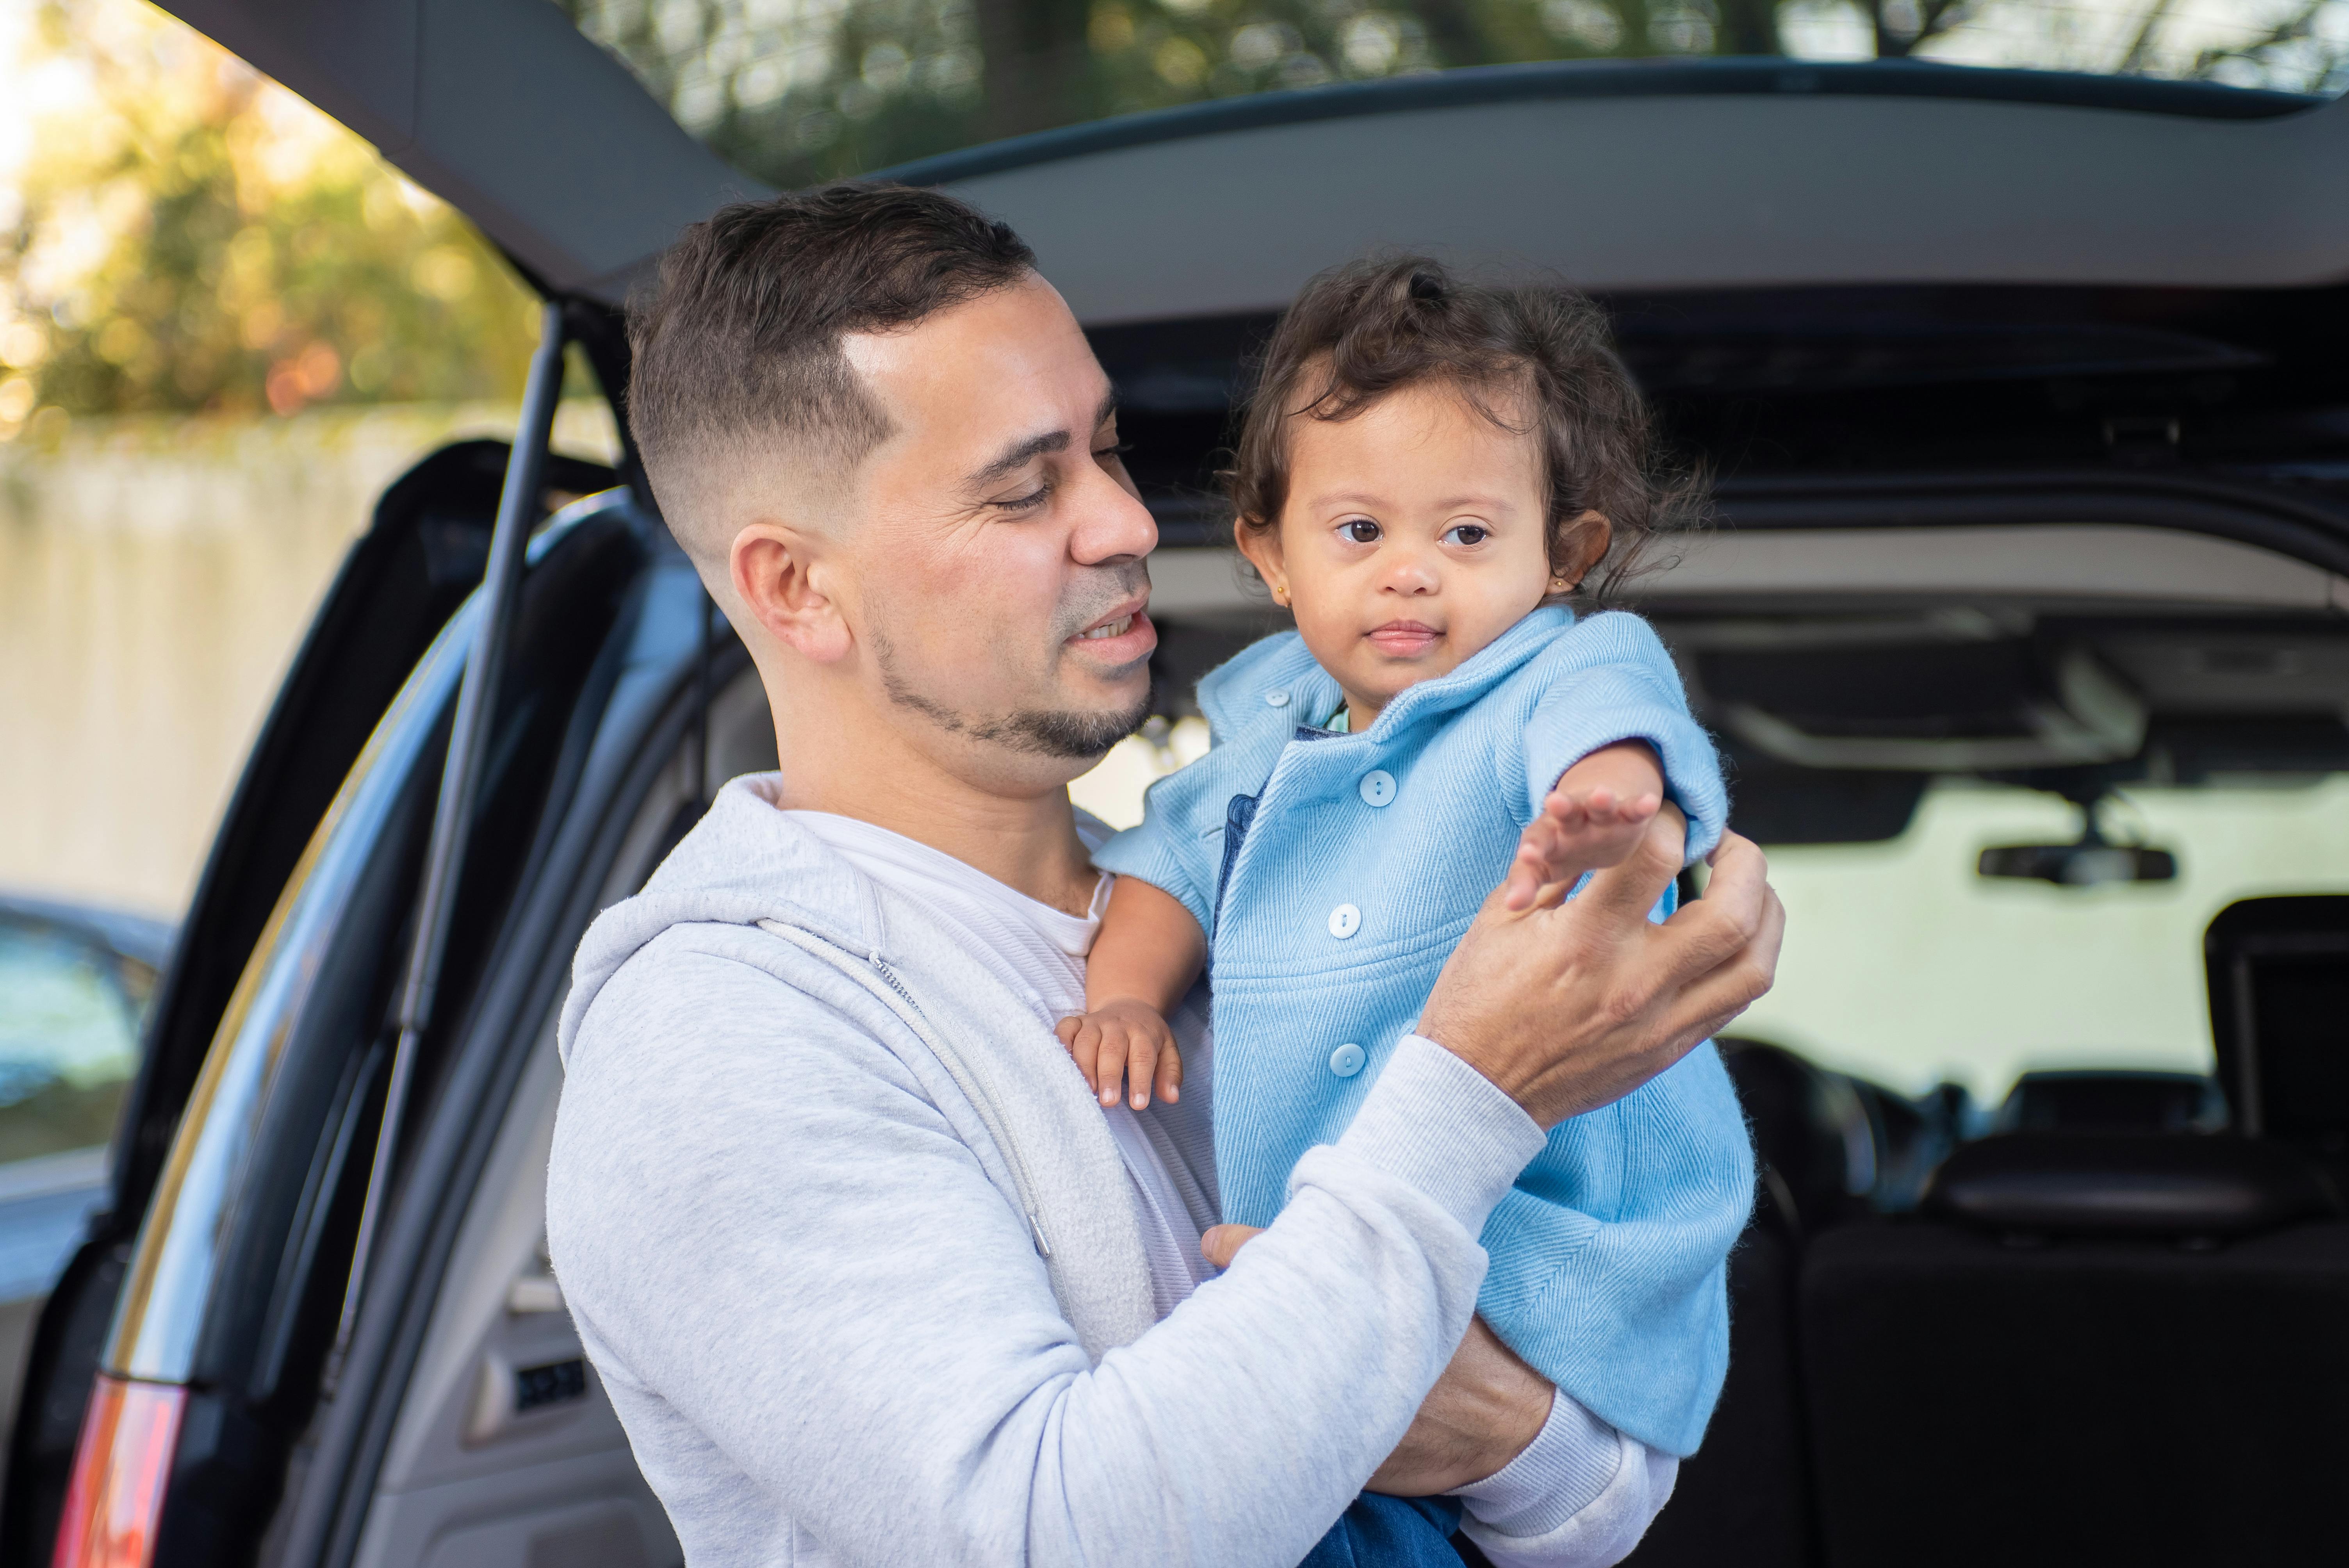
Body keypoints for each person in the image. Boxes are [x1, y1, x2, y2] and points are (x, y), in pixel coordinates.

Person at [547, 183, 1784, 1568]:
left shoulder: (1253, 880)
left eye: (1109, 450)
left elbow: (1596, 1507)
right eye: (1026, 488)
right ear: (794, 590)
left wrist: (1498, 1431)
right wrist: (1481, 1086)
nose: (1127, 523)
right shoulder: (724, 1033)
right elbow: (1054, 1538)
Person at [1062, 255, 1754, 1563]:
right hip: (1338, 1274)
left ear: (1567, 556)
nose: (1411, 576)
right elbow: (1170, 868)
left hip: (1543, 1234)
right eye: (1360, 532)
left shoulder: (1555, 670)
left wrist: (1605, 802)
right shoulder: (1264, 733)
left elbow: (1614, 729)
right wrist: (1125, 995)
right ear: (1269, 554)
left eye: (1469, 535)